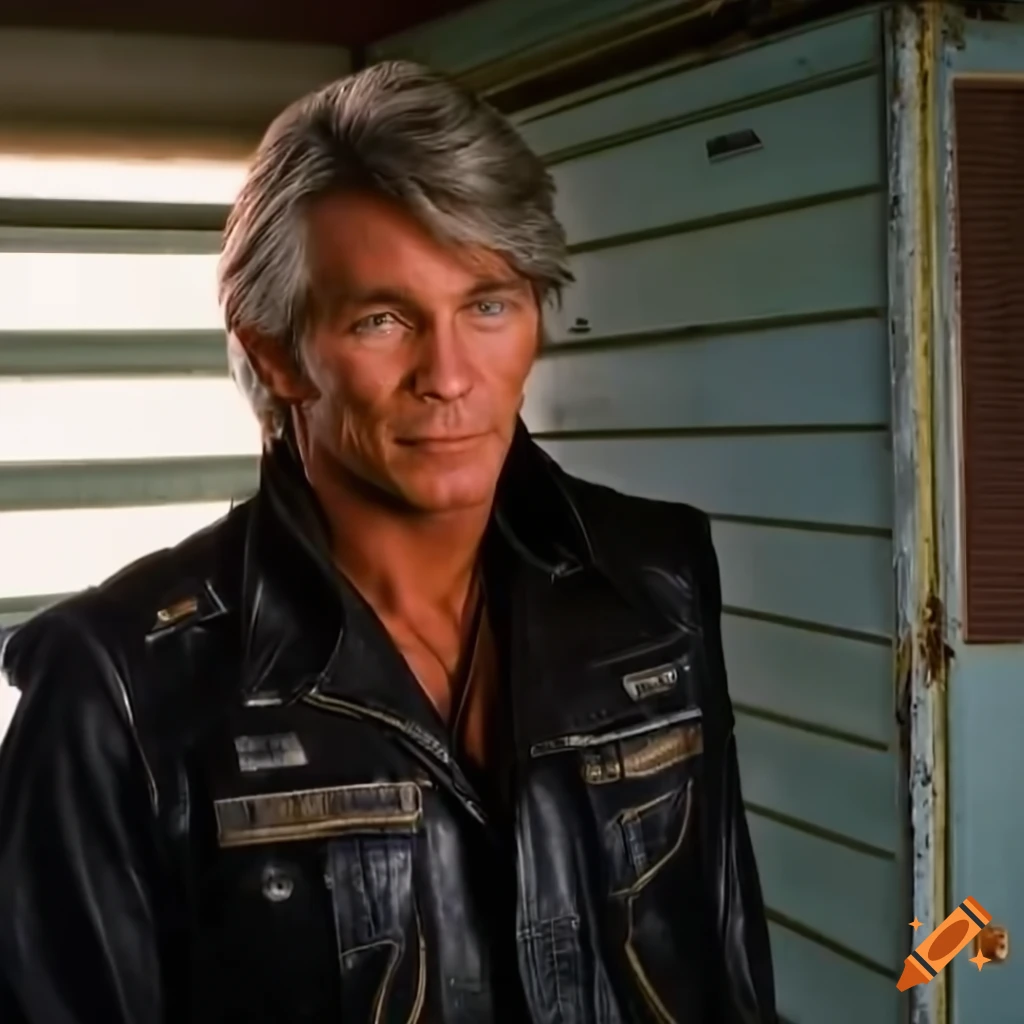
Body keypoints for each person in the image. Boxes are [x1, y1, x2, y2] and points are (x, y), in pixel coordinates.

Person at [0, 61, 776, 1023]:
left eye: (487, 305)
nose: (450, 375)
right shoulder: (115, 685)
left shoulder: (656, 579)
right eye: (383, 319)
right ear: (280, 351)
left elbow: (729, 969)